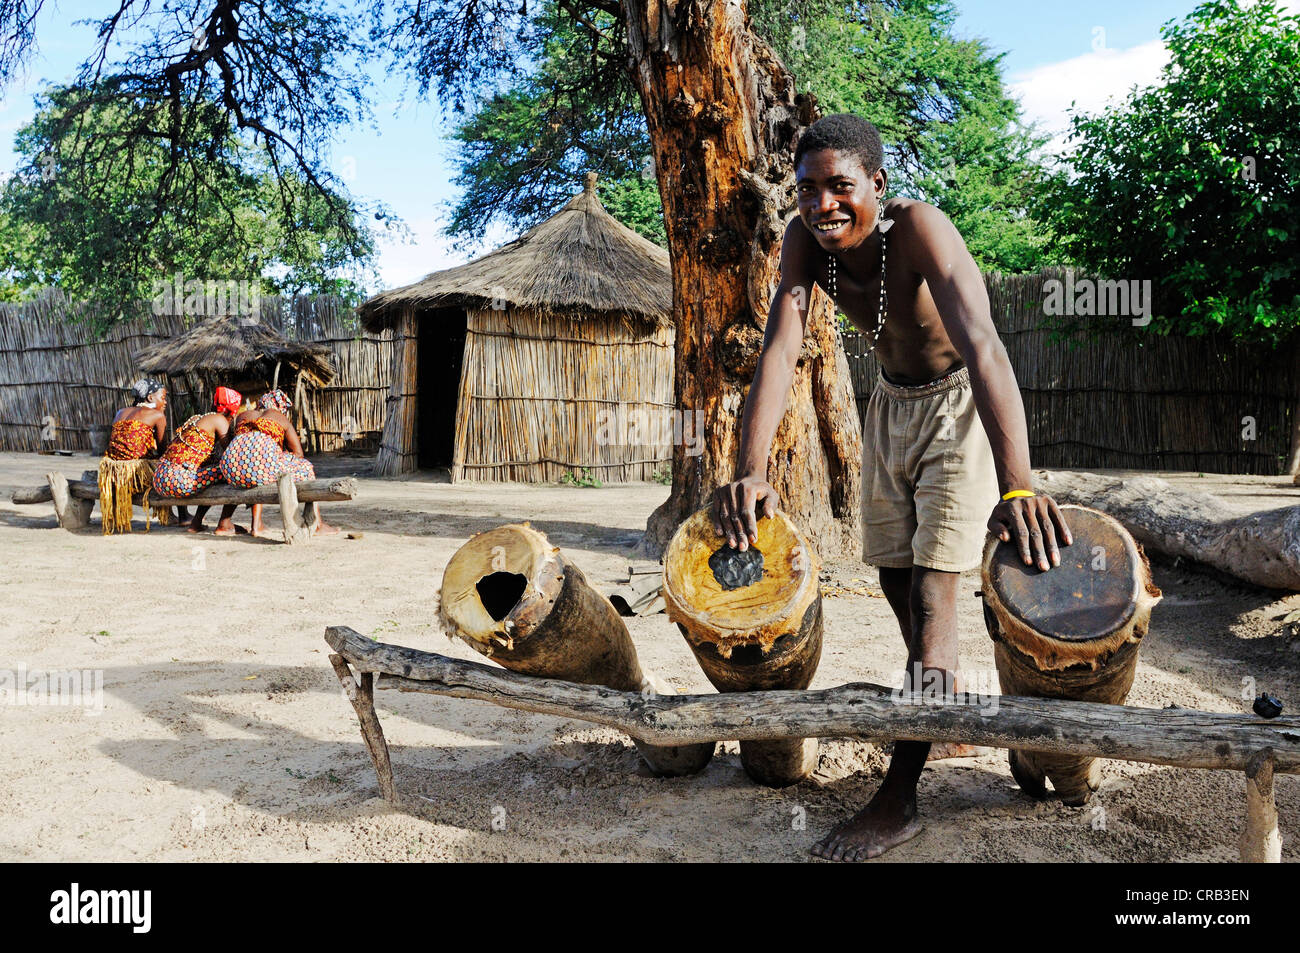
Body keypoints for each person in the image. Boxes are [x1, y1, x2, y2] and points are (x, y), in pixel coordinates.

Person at [711, 114, 1073, 861]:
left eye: (840, 186)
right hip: (890, 410)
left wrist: (1018, 486)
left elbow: (986, 348)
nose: (822, 204)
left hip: (954, 408)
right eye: (808, 189)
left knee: (935, 599)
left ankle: (898, 797)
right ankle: (937, 711)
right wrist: (749, 470)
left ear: (877, 183)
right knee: (894, 580)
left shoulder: (921, 230)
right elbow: (779, 350)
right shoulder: (803, 246)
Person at [218, 388, 337, 537]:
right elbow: (298, 453)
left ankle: (229, 523)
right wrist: (282, 455)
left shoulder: (243, 415)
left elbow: (243, 449)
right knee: (305, 466)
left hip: (231, 469)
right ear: (281, 407)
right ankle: (317, 523)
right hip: (260, 468)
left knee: (255, 464)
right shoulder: (279, 417)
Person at [153, 386, 243, 534]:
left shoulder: (198, 419)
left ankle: (196, 523)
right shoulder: (219, 420)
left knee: (212, 471)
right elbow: (232, 455)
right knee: (235, 471)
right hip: (177, 480)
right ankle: (224, 523)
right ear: (231, 411)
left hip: (160, 478)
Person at [99, 377, 171, 533]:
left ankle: (117, 515)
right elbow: (163, 451)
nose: (165, 402)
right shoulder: (157, 416)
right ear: (150, 397)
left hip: (112, 470)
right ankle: (177, 515)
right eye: (163, 398)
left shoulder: (121, 412)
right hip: (133, 471)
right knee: (169, 467)